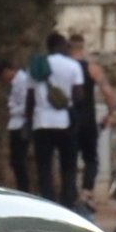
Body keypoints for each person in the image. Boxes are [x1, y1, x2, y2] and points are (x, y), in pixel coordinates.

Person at [27, 33, 84, 206]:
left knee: (44, 166)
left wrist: (28, 122)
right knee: (68, 165)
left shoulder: (36, 66)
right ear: (60, 46)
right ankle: (67, 201)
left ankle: (47, 201)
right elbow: (79, 94)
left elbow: (30, 96)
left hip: (41, 122)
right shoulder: (72, 65)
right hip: (64, 121)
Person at [67, 33, 111, 203]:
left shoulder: (64, 68)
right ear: (83, 47)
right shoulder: (92, 68)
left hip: (69, 118)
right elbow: (107, 92)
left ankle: (69, 193)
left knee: (69, 159)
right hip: (88, 118)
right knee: (91, 158)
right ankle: (87, 191)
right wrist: (110, 112)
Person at [1, 59, 34, 192]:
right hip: (15, 124)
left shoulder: (22, 81)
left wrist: (13, 110)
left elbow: (26, 105)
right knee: (15, 160)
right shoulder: (16, 83)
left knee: (18, 159)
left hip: (21, 124)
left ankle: (24, 188)